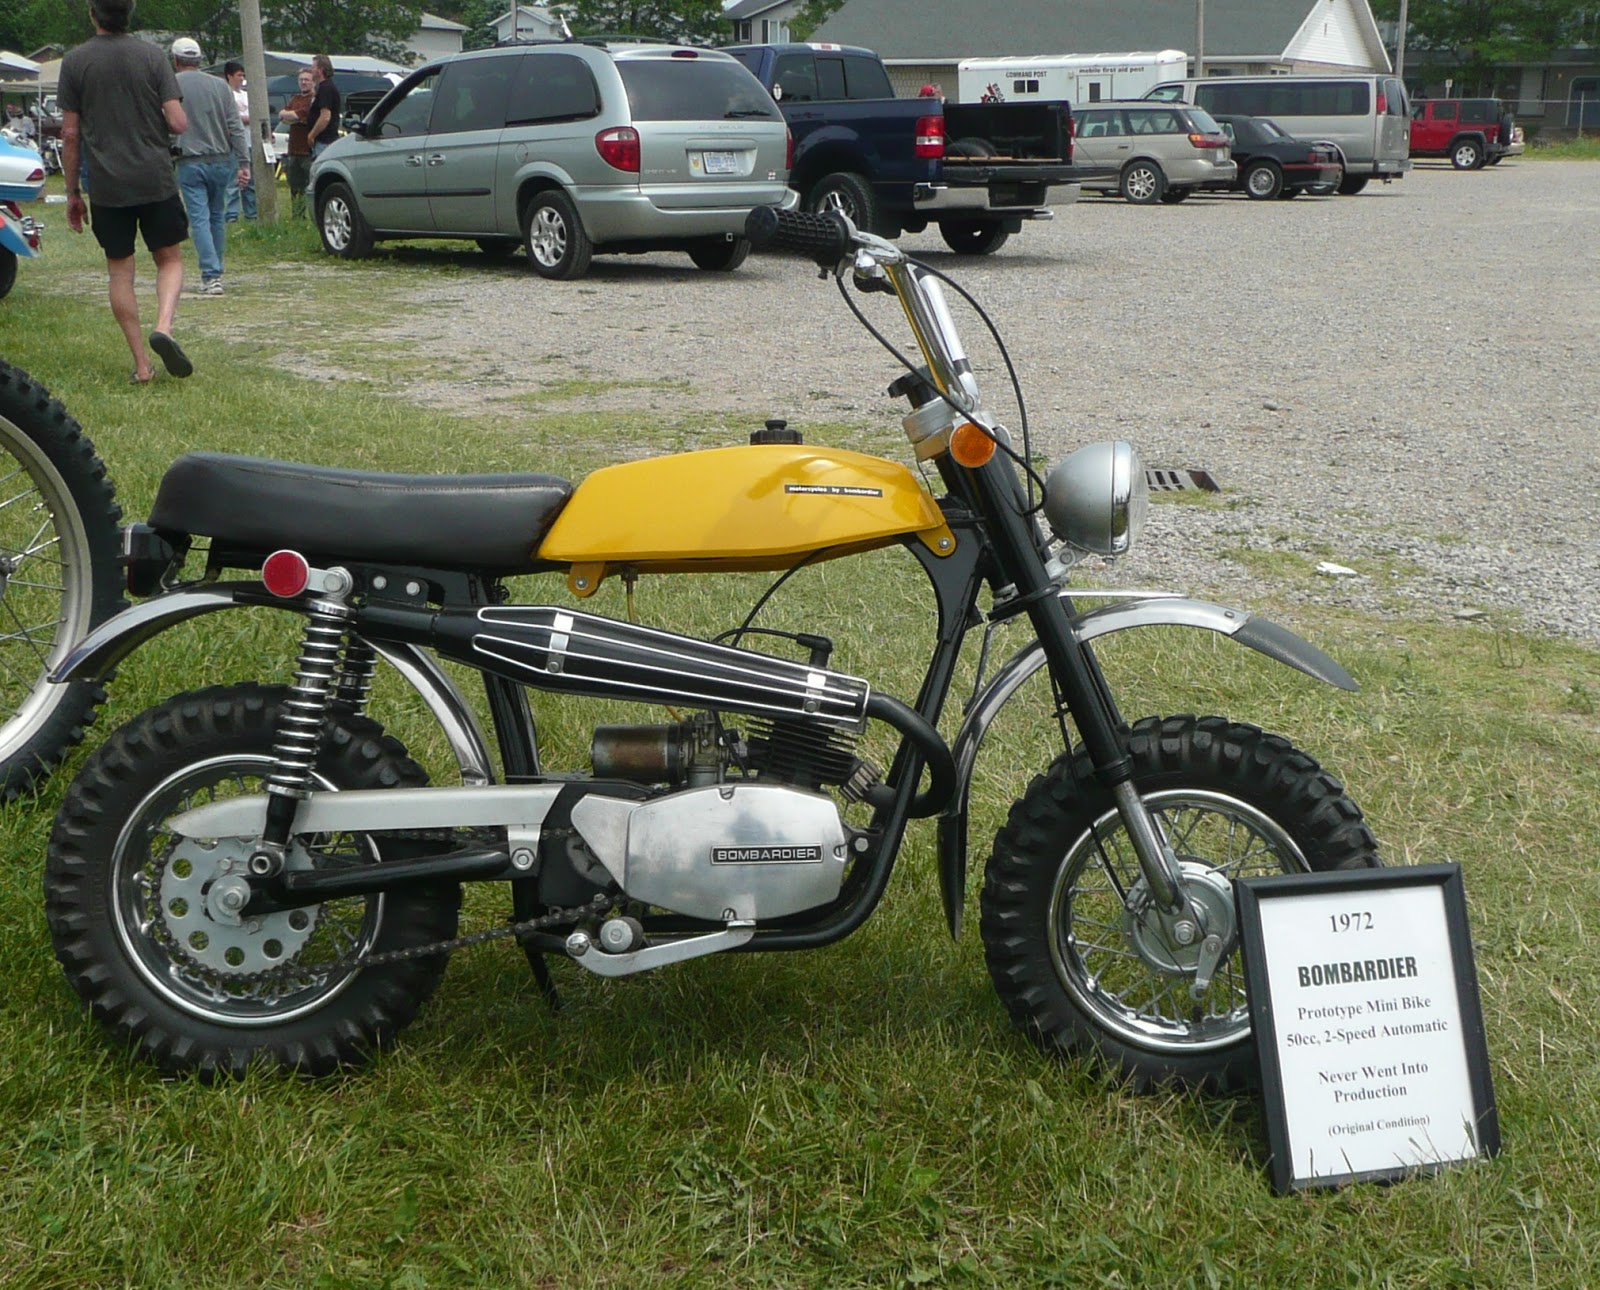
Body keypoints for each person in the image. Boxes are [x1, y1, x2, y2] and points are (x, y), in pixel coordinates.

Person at [57, 0, 193, 383]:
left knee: (120, 272)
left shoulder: (75, 62)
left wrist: (72, 192)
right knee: (169, 259)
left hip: (107, 186)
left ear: (93, 13)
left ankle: (142, 365)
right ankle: (163, 327)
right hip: (154, 178)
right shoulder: (152, 56)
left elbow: (70, 133)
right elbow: (178, 122)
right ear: (129, 14)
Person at [170, 37, 248, 297]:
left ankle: (210, 274)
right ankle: (216, 271)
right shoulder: (220, 86)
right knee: (217, 216)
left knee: (200, 219)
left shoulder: (170, 85)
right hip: (221, 159)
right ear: (199, 60)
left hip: (189, 160)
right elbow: (235, 126)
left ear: (176, 60)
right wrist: (244, 161)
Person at [277, 66, 316, 217]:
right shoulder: (295, 98)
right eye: (301, 80)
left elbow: (301, 115)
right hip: (293, 149)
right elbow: (282, 115)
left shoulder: (313, 100)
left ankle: (310, 215)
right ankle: (297, 216)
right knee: (294, 185)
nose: (303, 82)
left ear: (313, 82)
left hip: (308, 150)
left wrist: (293, 116)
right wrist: (293, 116)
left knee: (309, 185)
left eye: (307, 79)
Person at [222, 61, 257, 222]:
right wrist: (244, 119)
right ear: (229, 76)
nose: (242, 78)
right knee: (233, 180)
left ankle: (251, 213)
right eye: (239, 75)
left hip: (248, 141)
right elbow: (228, 118)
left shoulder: (246, 95)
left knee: (249, 180)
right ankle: (231, 214)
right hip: (232, 143)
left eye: (243, 75)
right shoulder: (225, 94)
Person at [306, 54, 341, 160]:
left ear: (320, 70)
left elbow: (325, 116)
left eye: (313, 67)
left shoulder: (326, 88)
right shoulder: (322, 87)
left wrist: (311, 135)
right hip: (322, 141)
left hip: (325, 141)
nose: (311, 70)